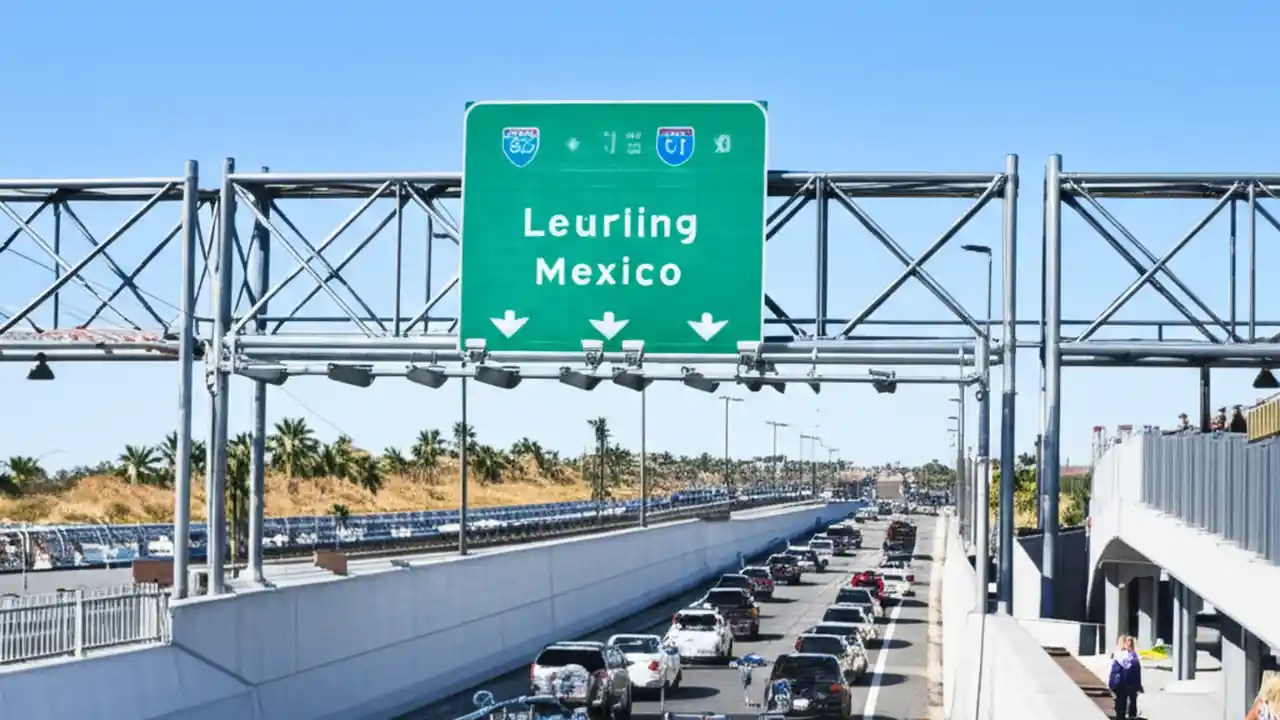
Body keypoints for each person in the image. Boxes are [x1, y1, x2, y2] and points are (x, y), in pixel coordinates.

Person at [1108, 635, 1143, 719]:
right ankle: (1123, 716)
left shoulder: (1127, 654)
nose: (1128, 645)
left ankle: (1123, 715)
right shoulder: (1123, 654)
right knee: (1122, 701)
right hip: (1122, 681)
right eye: (1126, 642)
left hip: (1123, 681)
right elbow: (1127, 666)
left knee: (1123, 700)